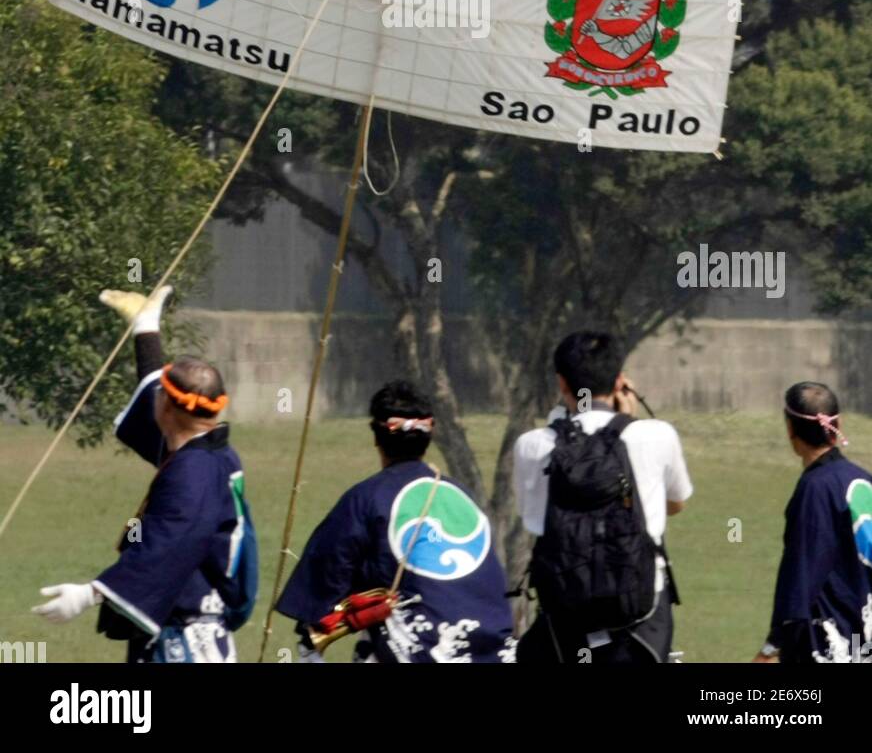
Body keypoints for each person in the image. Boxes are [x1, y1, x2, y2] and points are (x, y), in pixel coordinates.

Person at [33, 285, 257, 663]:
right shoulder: (207, 452)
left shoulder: (193, 474)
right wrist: (146, 329)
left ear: (166, 405)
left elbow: (166, 544)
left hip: (187, 643)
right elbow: (166, 416)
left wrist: (92, 592)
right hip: (187, 635)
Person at [276, 379, 517, 663]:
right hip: (496, 652)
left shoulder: (365, 499)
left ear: (376, 436)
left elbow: (322, 588)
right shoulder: (463, 496)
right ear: (429, 434)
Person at [514, 330, 692, 664]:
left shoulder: (532, 445)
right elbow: (676, 503)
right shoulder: (656, 435)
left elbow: (533, 518)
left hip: (566, 614)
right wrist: (631, 421)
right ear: (620, 380)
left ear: (561, 383)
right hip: (641, 613)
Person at [752, 381, 872, 664]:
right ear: (837, 423)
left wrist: (772, 647)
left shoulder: (815, 488)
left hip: (828, 645)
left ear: (790, 429)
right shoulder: (863, 479)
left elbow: (801, 576)